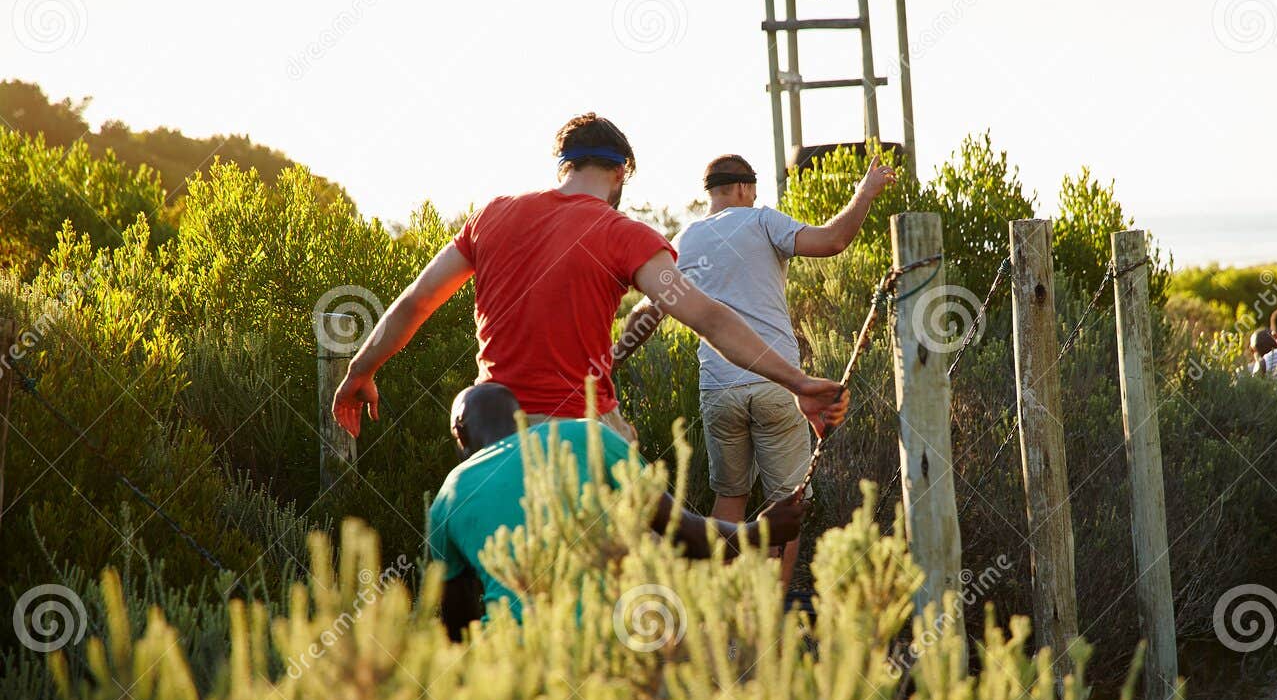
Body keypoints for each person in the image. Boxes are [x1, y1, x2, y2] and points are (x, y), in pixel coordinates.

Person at [331, 114, 850, 447]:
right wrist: (798, 382)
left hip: (492, 431)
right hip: (583, 434)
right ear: (622, 172)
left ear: (564, 166)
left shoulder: (491, 216)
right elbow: (707, 317)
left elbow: (415, 303)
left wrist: (360, 369)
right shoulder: (623, 235)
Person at [613, 152, 896, 587]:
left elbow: (649, 314)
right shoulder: (762, 220)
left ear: (711, 193)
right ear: (745, 188)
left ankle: (725, 618)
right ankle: (770, 626)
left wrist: (610, 360)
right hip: (776, 384)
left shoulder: (685, 240)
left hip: (719, 388)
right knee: (787, 503)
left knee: (729, 500)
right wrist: (864, 193)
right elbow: (832, 241)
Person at [430, 383, 804, 639]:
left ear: (459, 434)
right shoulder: (585, 435)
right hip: (616, 637)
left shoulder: (448, 495)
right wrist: (759, 532)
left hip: (520, 656)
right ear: (520, 419)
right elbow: (682, 532)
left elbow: (459, 627)